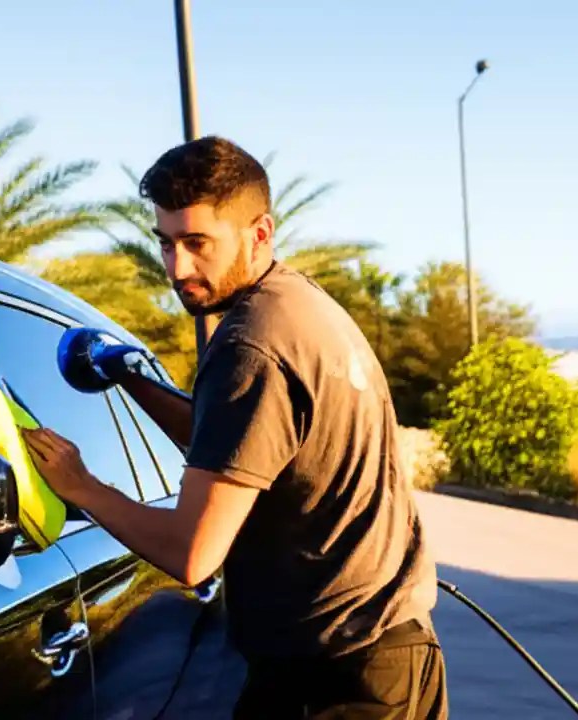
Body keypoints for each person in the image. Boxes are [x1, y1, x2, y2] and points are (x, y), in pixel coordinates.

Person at [22, 136, 447, 719]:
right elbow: (238, 442)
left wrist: (81, 487)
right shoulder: (300, 307)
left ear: (260, 232)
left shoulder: (251, 346)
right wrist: (130, 377)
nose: (178, 268)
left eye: (197, 243)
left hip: (334, 683)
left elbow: (193, 555)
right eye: (166, 244)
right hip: (394, 658)